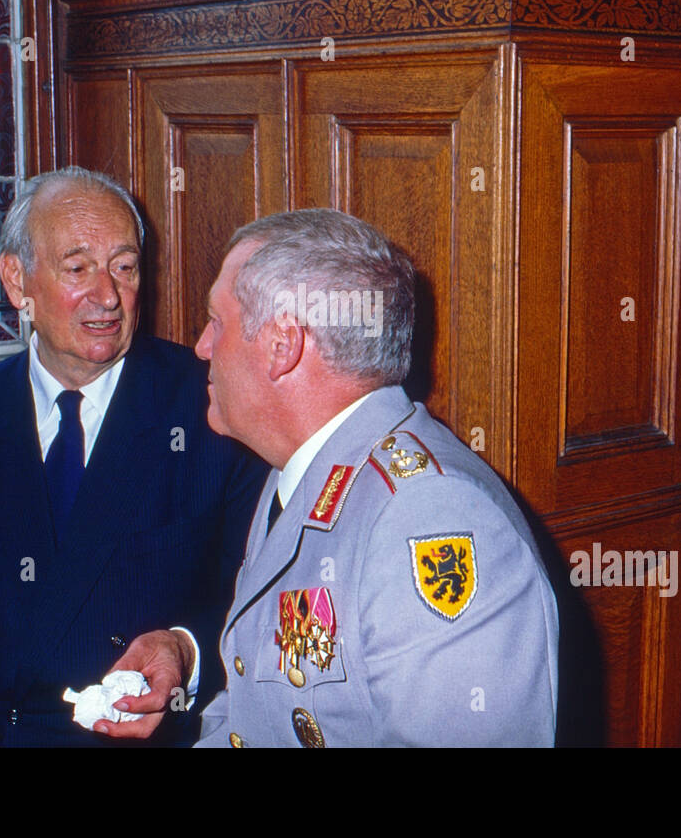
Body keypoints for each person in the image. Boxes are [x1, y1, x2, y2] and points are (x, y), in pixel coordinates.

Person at [0, 167, 266, 746]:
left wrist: (182, 646)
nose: (108, 296)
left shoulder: (213, 408)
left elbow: (257, 600)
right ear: (17, 281)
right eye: (78, 268)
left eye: (124, 267)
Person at [189, 209, 559, 747]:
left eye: (216, 322)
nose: (201, 345)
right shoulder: (298, 472)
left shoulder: (430, 513)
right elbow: (252, 705)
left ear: (281, 346)